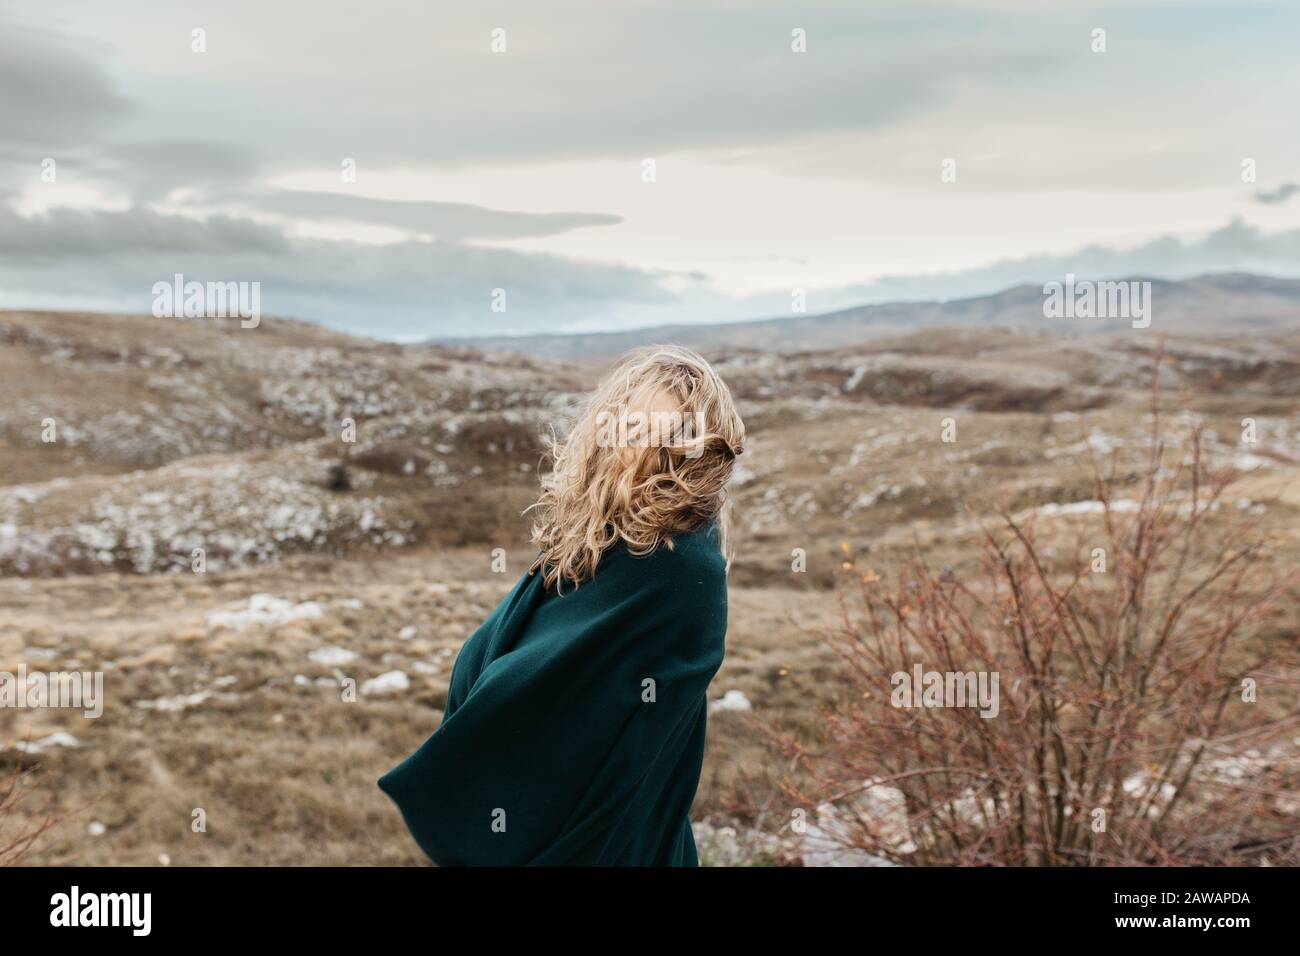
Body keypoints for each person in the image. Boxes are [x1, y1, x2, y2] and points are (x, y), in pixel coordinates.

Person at [378, 345, 745, 865]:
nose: (637, 450)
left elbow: (614, 752)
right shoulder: (593, 544)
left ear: (697, 454)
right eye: (630, 427)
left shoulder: (681, 571)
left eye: (669, 439)